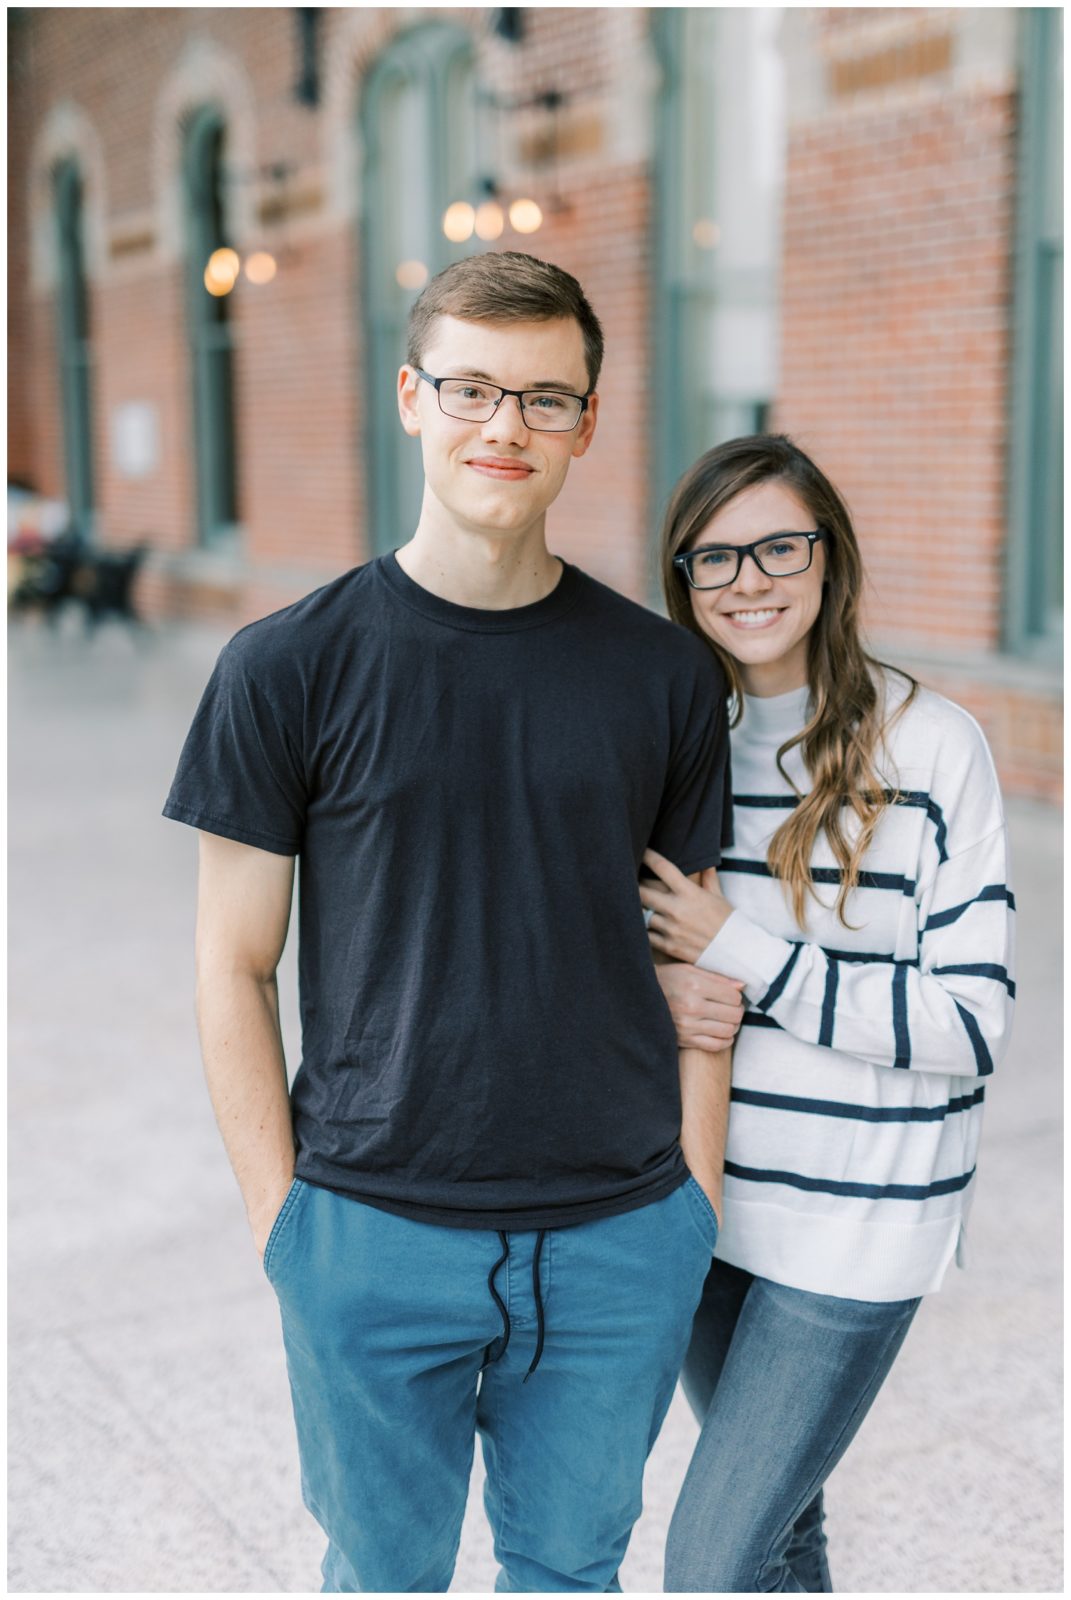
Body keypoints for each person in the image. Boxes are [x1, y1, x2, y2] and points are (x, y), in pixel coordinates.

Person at [162, 251, 735, 1594]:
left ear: (587, 423)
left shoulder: (658, 675)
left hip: (615, 1235)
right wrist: (282, 1225)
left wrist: (687, 1211)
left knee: (568, 1571)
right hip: (371, 1229)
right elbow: (231, 963)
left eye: (544, 399)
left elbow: (687, 951)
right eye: (472, 389)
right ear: (412, 398)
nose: (505, 427)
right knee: (382, 1575)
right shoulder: (285, 667)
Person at [639, 434, 1015, 1593]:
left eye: (778, 545)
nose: (748, 579)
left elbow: (967, 1027)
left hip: (854, 1226)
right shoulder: (668, 747)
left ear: (828, 557)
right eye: (715, 558)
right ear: (682, 581)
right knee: (779, 1530)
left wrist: (744, 951)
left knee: (709, 1563)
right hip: (702, 1207)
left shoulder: (933, 746)